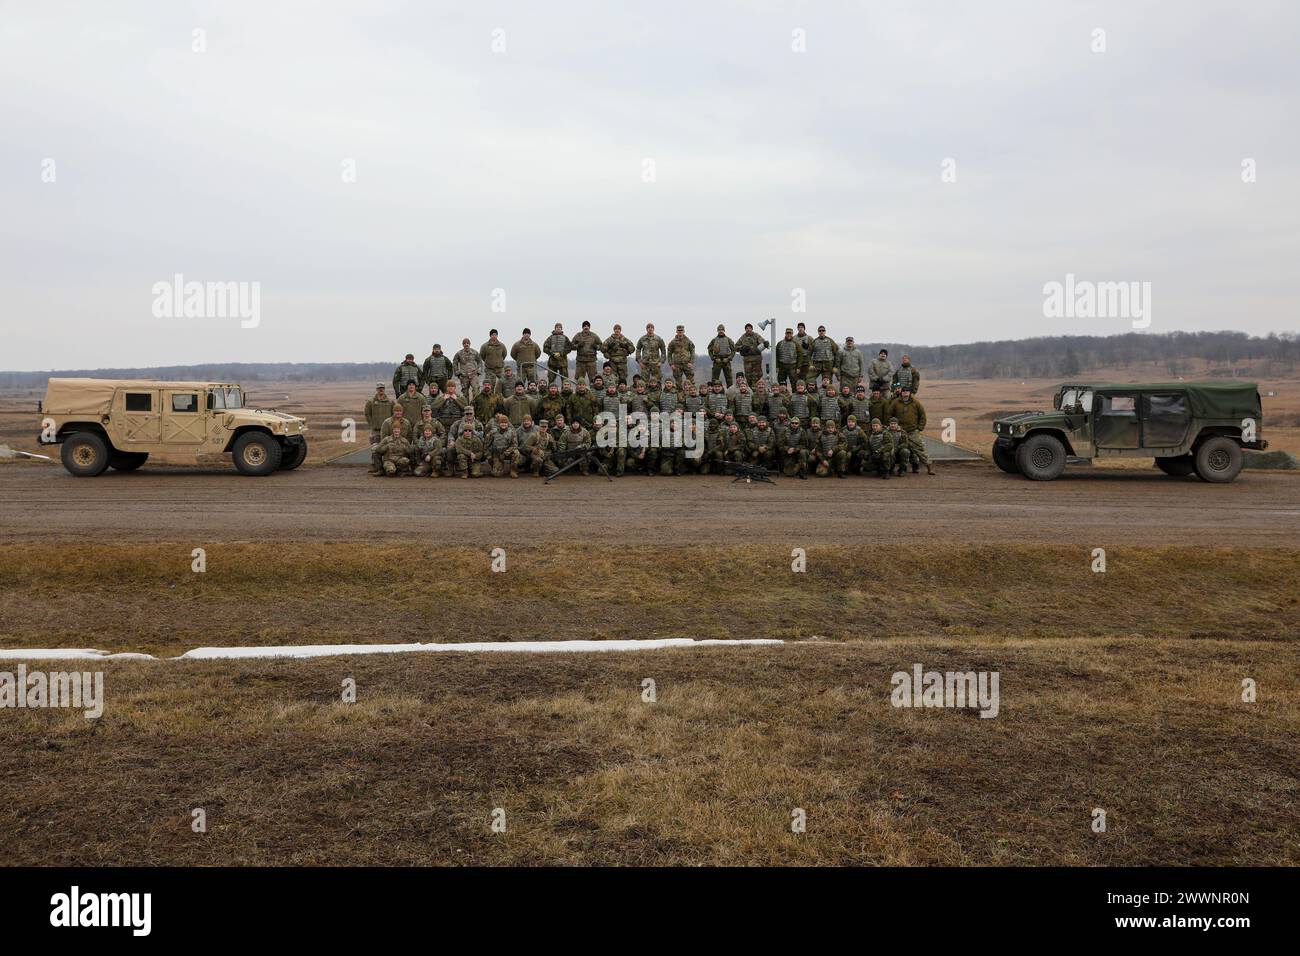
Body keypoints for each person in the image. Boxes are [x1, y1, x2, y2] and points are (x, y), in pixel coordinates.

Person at [888, 386, 934, 475]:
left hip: (912, 431)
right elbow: (889, 414)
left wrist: (919, 428)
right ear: (901, 392)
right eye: (903, 391)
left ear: (910, 392)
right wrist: (892, 426)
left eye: (907, 391)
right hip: (899, 431)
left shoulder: (916, 403)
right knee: (900, 449)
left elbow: (922, 415)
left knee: (919, 449)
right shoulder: (895, 403)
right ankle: (898, 468)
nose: (905, 392)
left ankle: (929, 467)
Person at [667, 325, 696, 389]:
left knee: (691, 381)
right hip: (677, 365)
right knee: (678, 382)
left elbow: (692, 352)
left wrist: (691, 362)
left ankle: (691, 396)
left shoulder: (688, 341)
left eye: (681, 330)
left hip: (686, 364)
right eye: (679, 330)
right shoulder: (673, 342)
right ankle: (680, 397)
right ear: (676, 331)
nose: (680, 332)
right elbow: (669, 354)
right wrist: (671, 364)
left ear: (684, 331)